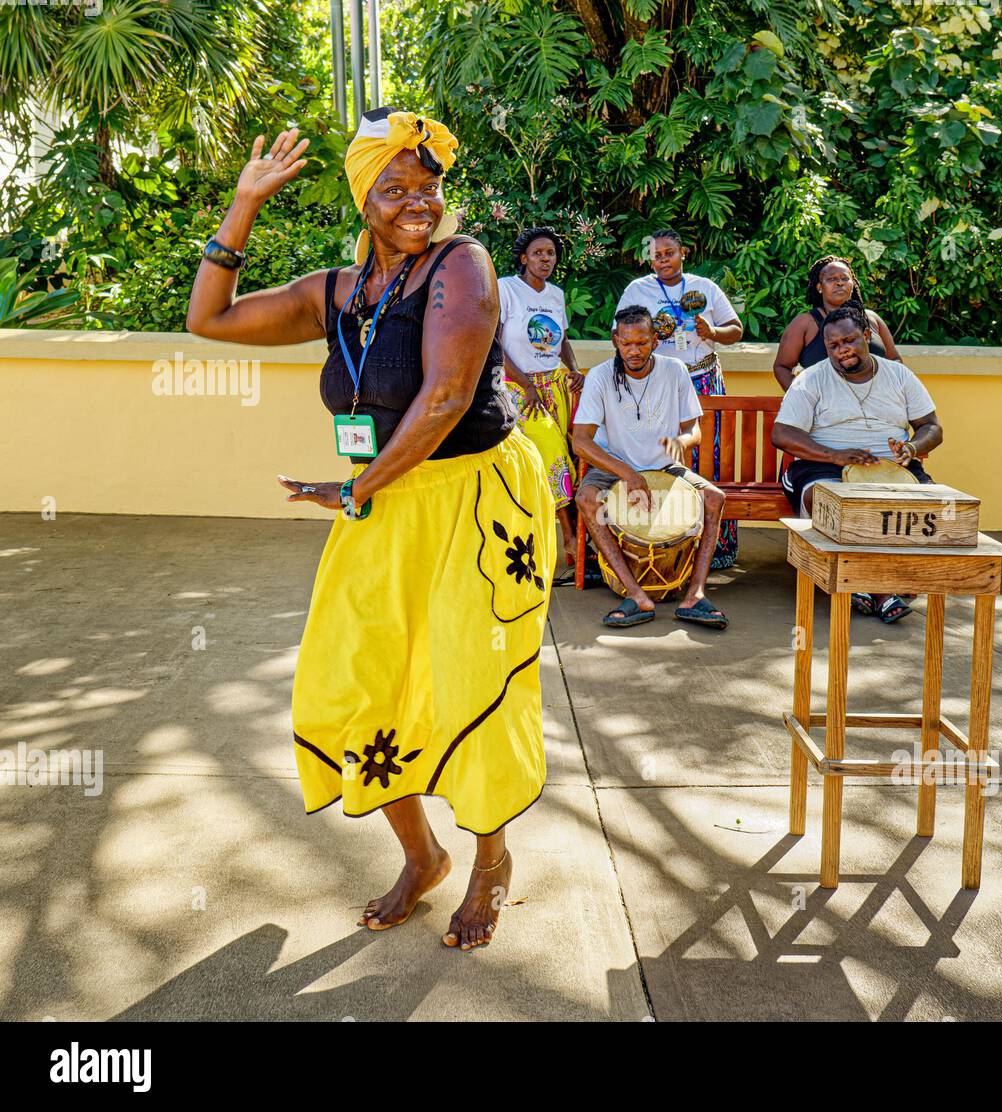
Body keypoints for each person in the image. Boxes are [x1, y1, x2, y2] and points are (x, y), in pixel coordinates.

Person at [185, 107, 554, 951]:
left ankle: (491, 859)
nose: (416, 202)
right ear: (364, 202)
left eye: (427, 187)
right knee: (354, 682)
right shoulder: (338, 292)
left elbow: (448, 398)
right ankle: (423, 856)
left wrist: (353, 490)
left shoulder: (463, 265)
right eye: (394, 189)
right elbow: (210, 319)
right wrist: (243, 204)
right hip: (384, 499)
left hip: (475, 497)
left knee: (473, 682)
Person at [771, 304, 943, 623]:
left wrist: (912, 447)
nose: (842, 351)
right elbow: (782, 434)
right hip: (824, 464)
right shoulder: (811, 379)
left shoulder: (898, 375)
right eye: (833, 346)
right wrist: (834, 455)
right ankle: (877, 589)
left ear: (866, 335)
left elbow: (932, 426)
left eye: (849, 341)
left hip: (892, 465)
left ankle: (869, 585)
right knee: (835, 502)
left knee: (928, 505)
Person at [571, 305, 729, 629]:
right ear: (615, 340)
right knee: (586, 499)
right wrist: (626, 473)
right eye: (626, 343)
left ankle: (695, 594)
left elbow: (694, 430)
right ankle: (636, 595)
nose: (634, 350)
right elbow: (581, 441)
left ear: (655, 340)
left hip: (665, 467)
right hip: (615, 466)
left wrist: (682, 443)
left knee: (714, 498)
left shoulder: (675, 371)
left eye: (641, 342)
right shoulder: (601, 376)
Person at [615, 228, 743, 569]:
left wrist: (712, 332)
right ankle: (664, 544)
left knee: (711, 459)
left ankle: (717, 547)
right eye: (656, 256)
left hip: (702, 380)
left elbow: (736, 329)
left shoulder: (705, 287)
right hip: (657, 385)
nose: (663, 261)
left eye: (669, 253)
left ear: (683, 252)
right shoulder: (637, 290)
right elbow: (622, 334)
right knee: (662, 460)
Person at [498, 226, 584, 580]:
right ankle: (569, 537)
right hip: (520, 391)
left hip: (556, 387)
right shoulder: (506, 289)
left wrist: (574, 369)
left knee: (569, 454)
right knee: (554, 457)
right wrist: (525, 385)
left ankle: (564, 538)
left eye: (550, 254)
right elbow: (493, 344)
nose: (545, 259)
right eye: (538, 253)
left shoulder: (556, 295)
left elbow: (560, 338)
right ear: (523, 258)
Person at [772, 256, 904, 390]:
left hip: (878, 403)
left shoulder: (871, 319)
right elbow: (782, 367)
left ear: (853, 284)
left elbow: (894, 360)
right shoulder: (805, 323)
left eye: (845, 278)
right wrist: (803, 399)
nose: (839, 283)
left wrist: (893, 390)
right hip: (828, 407)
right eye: (831, 279)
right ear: (819, 287)